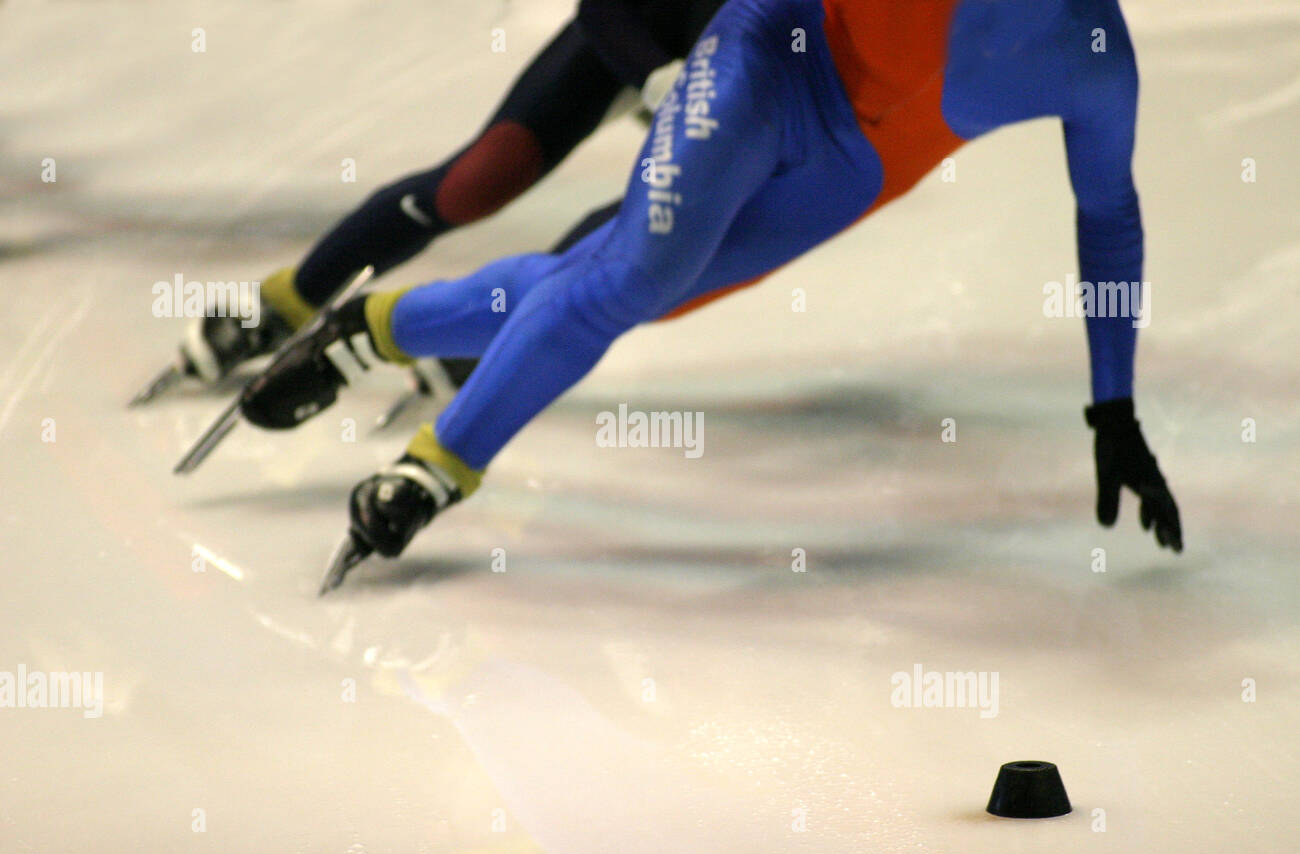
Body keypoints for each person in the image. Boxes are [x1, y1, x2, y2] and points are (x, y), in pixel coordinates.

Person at [239, 0, 1183, 589]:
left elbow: (1109, 218)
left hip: (856, 170)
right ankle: (436, 468)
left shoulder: (1090, 54)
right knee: (634, 275)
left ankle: (376, 326)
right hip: (772, 52)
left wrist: (1114, 408)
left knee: (631, 286)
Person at [136, 0, 724, 396]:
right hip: (646, 27)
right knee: (476, 181)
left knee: (644, 222)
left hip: (742, 79)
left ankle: (497, 324)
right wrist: (653, 75)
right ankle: (294, 297)